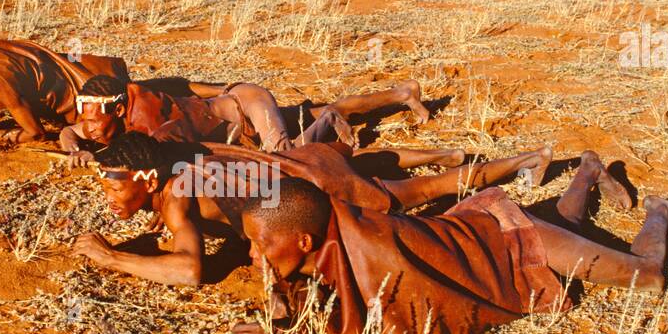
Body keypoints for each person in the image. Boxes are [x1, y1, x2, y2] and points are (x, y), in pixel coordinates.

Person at [228, 156, 668, 334]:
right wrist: (279, 323)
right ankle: (587, 170)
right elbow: (298, 309)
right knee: (573, 230)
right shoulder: (301, 247)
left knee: (646, 278)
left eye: (261, 244)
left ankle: (660, 213)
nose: (252, 255)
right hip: (475, 233)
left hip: (509, 244)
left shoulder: (368, 247)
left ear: (306, 243)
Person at [71, 131, 555, 287]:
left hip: (317, 191)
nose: (109, 199)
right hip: (301, 171)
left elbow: (192, 270)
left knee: (423, 193)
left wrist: (112, 257)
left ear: (147, 180)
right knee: (404, 183)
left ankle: (525, 160)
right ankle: (484, 158)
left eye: (115, 190)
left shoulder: (175, 193)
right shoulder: (171, 167)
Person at [0, 38, 221, 149]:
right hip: (84, 76)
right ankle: (221, 91)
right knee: (152, 89)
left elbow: (35, 132)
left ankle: (225, 99)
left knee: (161, 104)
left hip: (81, 97)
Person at [59, 74, 432, 165]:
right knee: (314, 110)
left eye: (94, 123)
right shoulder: (101, 114)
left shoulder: (150, 118)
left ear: (120, 111)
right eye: (88, 123)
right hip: (237, 113)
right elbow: (67, 131)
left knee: (285, 160)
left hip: (248, 105)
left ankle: (332, 120)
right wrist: (75, 147)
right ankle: (402, 93)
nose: (90, 129)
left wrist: (98, 156)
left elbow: (157, 155)